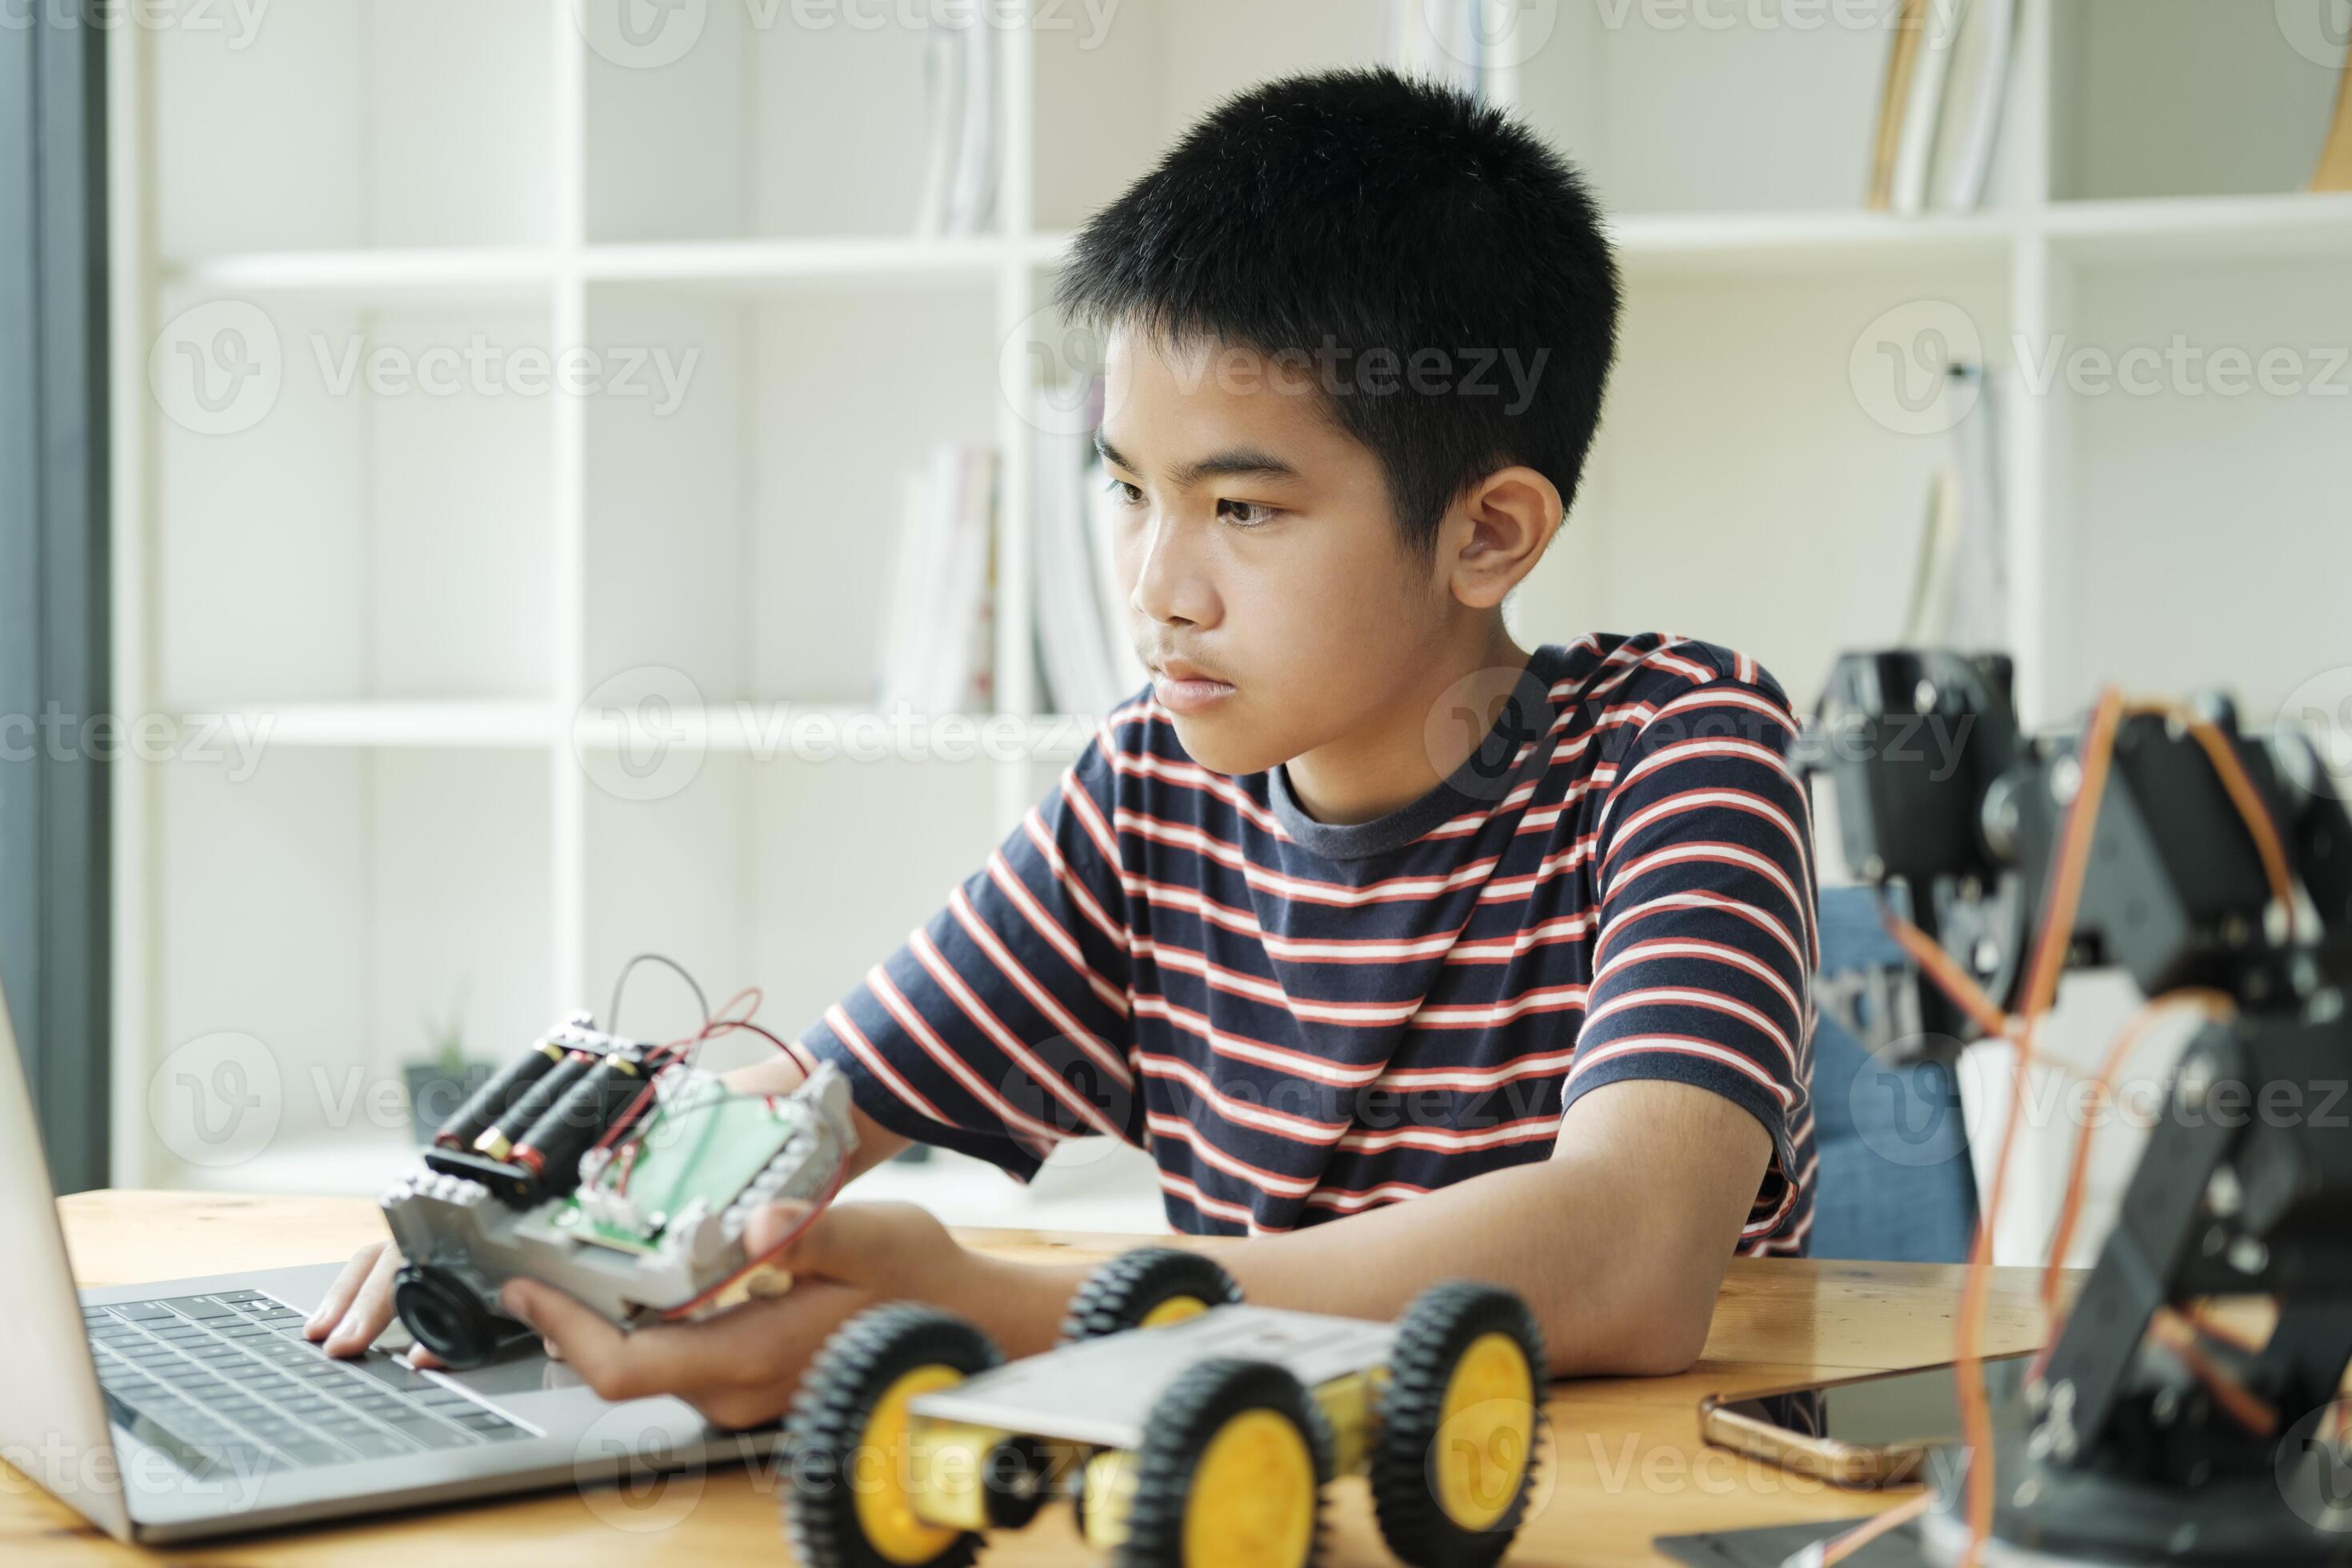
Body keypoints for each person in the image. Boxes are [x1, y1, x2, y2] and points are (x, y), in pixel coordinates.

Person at [308, 64, 1818, 1431]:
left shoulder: (1679, 749)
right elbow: (816, 1110)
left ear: (1488, 532)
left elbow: (1632, 1258)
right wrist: (518, 1223)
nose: (1157, 587)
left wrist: (1003, 1308)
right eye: (1125, 491)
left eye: (1243, 510)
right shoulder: (1150, 794)